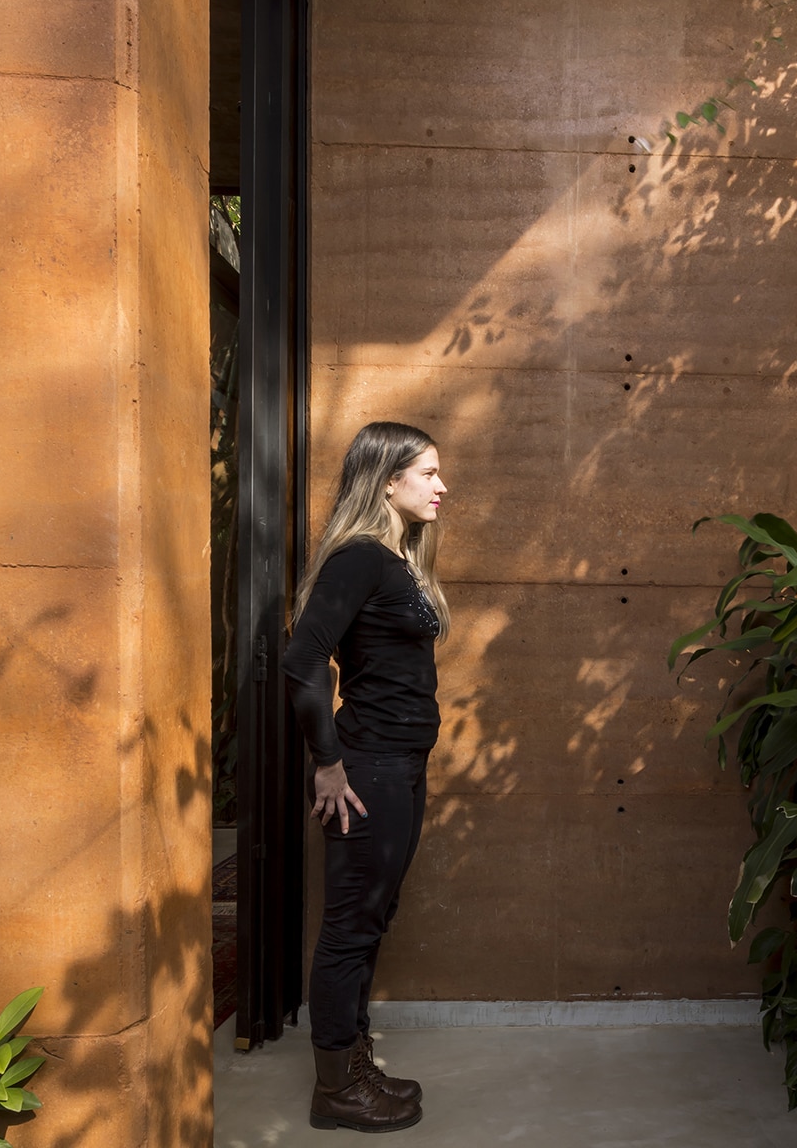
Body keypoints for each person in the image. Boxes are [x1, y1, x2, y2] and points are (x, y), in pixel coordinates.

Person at [284, 421, 450, 1134]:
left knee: (373, 916)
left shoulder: (395, 560)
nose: (442, 487)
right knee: (351, 926)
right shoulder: (358, 558)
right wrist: (327, 763)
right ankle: (335, 1090)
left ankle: (354, 1063)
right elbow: (302, 660)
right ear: (387, 480)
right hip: (369, 768)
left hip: (400, 766)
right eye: (429, 473)